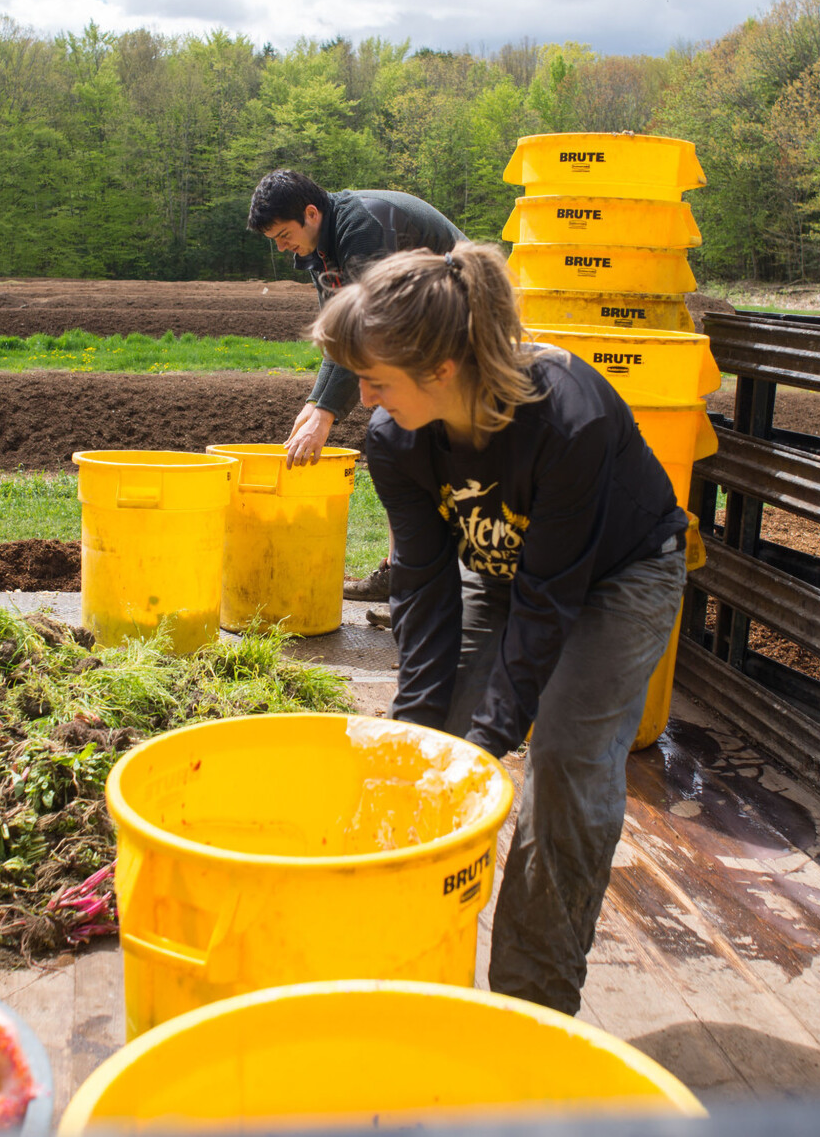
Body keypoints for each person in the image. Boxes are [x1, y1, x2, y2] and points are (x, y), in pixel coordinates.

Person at [311, 242, 689, 1015]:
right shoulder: (396, 436)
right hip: (510, 573)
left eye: (376, 379)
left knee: (565, 760)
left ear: (441, 369)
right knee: (429, 740)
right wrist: (422, 730)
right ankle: (404, 954)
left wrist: (490, 742)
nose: (363, 397)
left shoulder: (568, 417)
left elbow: (552, 605)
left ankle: (532, 1001)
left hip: (619, 577)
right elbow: (423, 587)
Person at [247, 169, 466, 604]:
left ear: (311, 213)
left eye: (284, 235)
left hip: (461, 323)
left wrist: (326, 415)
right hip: (421, 329)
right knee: (399, 440)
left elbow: (368, 328)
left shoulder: (363, 231)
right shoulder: (321, 248)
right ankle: (405, 575)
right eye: (274, 240)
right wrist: (315, 402)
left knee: (414, 442)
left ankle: (426, 583)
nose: (282, 247)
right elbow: (341, 334)